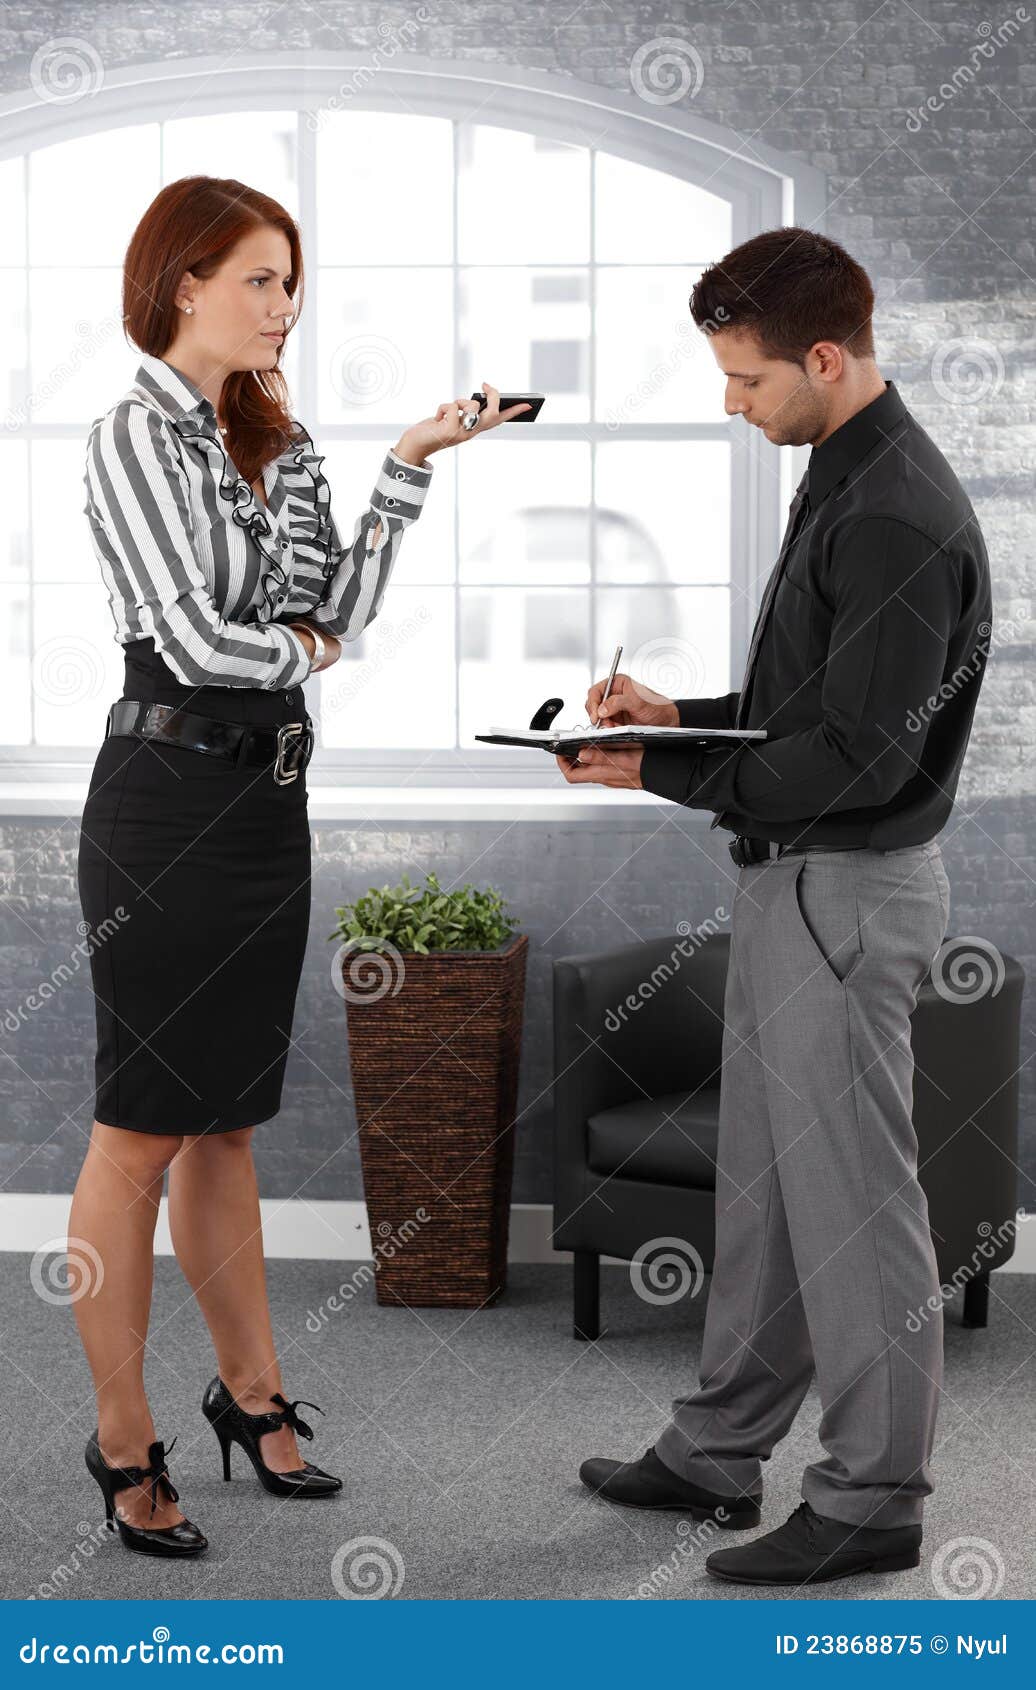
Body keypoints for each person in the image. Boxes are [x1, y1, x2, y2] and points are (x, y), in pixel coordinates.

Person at [73, 174, 527, 1558]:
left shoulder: (287, 436)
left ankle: (253, 1393)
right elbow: (205, 645)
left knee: (228, 1121)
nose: (286, 306)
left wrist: (406, 465)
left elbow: (336, 607)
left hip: (269, 809)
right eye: (263, 280)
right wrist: (311, 648)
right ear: (183, 284)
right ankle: (120, 1432)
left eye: (293, 283)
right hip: (160, 809)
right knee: (141, 1126)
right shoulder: (128, 436)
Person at [563, 228, 991, 1586]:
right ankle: (718, 1447)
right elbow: (814, 711)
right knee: (764, 1188)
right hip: (791, 881)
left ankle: (873, 1494)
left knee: (855, 1205)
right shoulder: (841, 473)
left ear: (825, 357)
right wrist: (678, 717)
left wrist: (669, 768)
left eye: (747, 381)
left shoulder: (893, 514)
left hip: (844, 890)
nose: (732, 404)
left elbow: (859, 755)